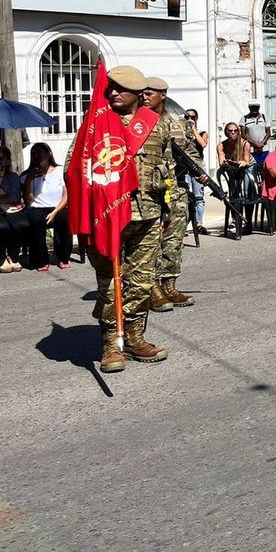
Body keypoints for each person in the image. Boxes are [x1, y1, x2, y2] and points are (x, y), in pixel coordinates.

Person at [68, 65, 172, 372]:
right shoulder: (95, 124)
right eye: (109, 88)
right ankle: (111, 344)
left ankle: (136, 338)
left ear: (138, 94)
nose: (112, 93)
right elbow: (75, 168)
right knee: (110, 283)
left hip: (148, 214)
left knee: (140, 283)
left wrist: (168, 210)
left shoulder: (157, 124)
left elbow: (165, 170)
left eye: (120, 89)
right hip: (107, 216)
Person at [143, 76, 205, 312]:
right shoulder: (138, 123)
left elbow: (192, 152)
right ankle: (151, 289)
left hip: (176, 189)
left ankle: (169, 284)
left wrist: (197, 170)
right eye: (143, 93)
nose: (144, 97)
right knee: (151, 242)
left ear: (163, 95)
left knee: (174, 241)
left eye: (150, 93)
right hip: (149, 191)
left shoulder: (179, 123)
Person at [22, 142, 71, 271]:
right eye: (34, 153)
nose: (37, 156)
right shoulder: (28, 175)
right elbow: (28, 200)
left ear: (49, 154)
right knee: (37, 221)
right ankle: (41, 260)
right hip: (37, 208)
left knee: (65, 218)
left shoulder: (60, 171)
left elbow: (66, 196)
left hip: (58, 206)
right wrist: (29, 180)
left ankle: (63, 256)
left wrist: (55, 212)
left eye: (39, 152)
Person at [0, 146, 29, 273]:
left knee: (21, 224)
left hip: (11, 208)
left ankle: (13, 256)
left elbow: (14, 197)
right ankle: (1, 258)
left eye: (2, 158)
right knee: (2, 227)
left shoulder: (12, 177)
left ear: (8, 160)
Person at [183, 108, 209, 235]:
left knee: (198, 196)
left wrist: (193, 129)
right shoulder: (182, 134)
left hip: (197, 166)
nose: (189, 119)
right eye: (187, 117)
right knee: (186, 196)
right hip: (184, 167)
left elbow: (203, 144)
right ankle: (185, 224)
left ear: (196, 118)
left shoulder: (202, 132)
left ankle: (198, 224)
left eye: (192, 117)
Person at [217, 122, 256, 197]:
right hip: (233, 166)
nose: (233, 133)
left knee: (246, 190)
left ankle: (248, 203)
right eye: (230, 131)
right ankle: (235, 204)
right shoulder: (221, 145)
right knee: (233, 190)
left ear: (238, 132)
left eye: (235, 131)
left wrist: (242, 163)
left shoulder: (245, 143)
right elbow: (221, 162)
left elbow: (247, 161)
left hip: (248, 166)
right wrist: (225, 163)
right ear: (226, 132)